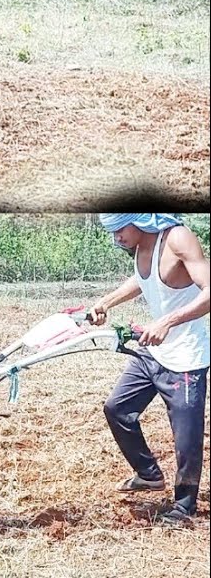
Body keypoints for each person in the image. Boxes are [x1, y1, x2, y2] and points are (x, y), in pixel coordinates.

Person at [88, 213, 209, 524]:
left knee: (186, 438)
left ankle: (184, 507)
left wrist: (167, 321)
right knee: (117, 409)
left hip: (185, 358)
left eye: (120, 229)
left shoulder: (177, 238)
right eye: (111, 232)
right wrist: (107, 302)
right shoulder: (142, 245)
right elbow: (144, 280)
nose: (117, 238)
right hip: (152, 352)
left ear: (139, 218)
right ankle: (149, 474)